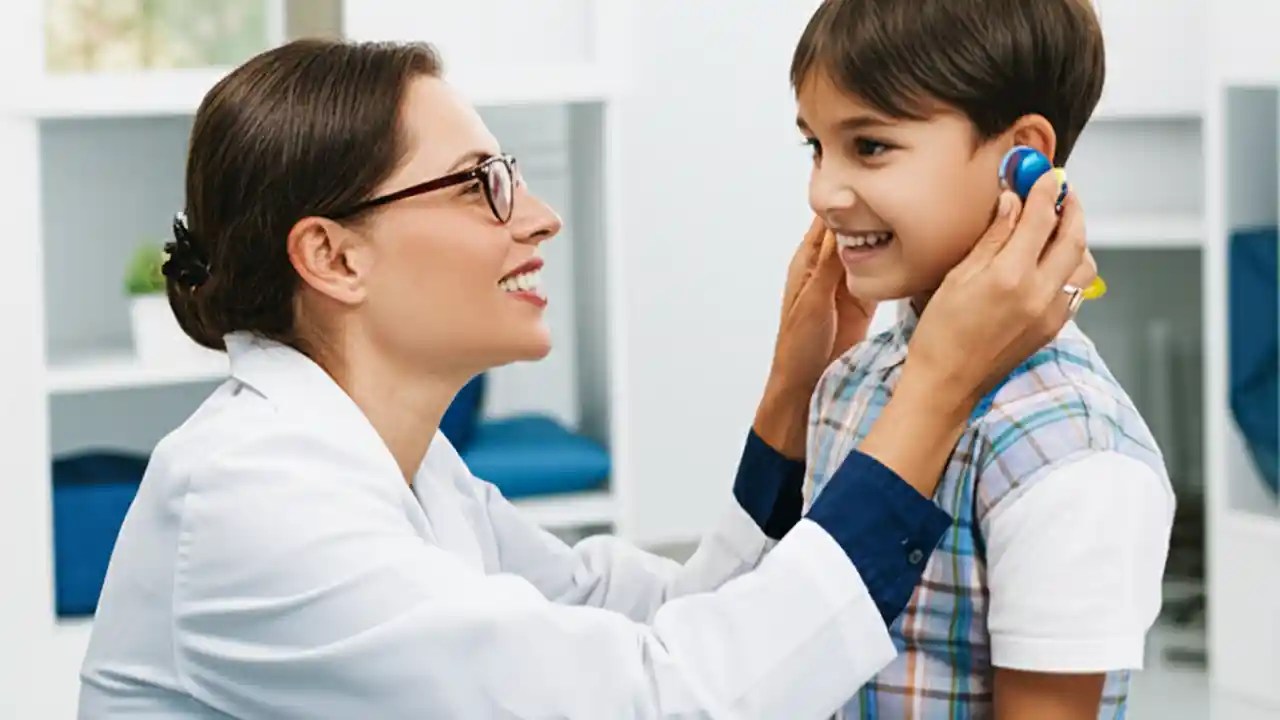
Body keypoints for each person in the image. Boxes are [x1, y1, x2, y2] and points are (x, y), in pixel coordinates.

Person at [78, 38, 1094, 719]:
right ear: (334, 257)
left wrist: (790, 397)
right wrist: (939, 386)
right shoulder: (262, 504)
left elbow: (644, 616)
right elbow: (667, 701)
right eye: (483, 185)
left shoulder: (403, 470)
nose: (537, 217)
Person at [792, 1, 1176, 718]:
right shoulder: (847, 382)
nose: (822, 192)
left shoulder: (1072, 455)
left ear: (1020, 158)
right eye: (815, 146)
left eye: (869, 146)